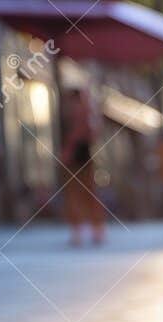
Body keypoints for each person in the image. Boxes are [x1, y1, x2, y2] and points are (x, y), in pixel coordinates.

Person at [59, 89, 105, 246]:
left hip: (77, 157)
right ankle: (95, 230)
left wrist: (67, 151)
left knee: (76, 193)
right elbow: (93, 134)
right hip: (85, 155)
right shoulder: (89, 112)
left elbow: (79, 134)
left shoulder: (80, 112)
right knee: (87, 193)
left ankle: (81, 231)